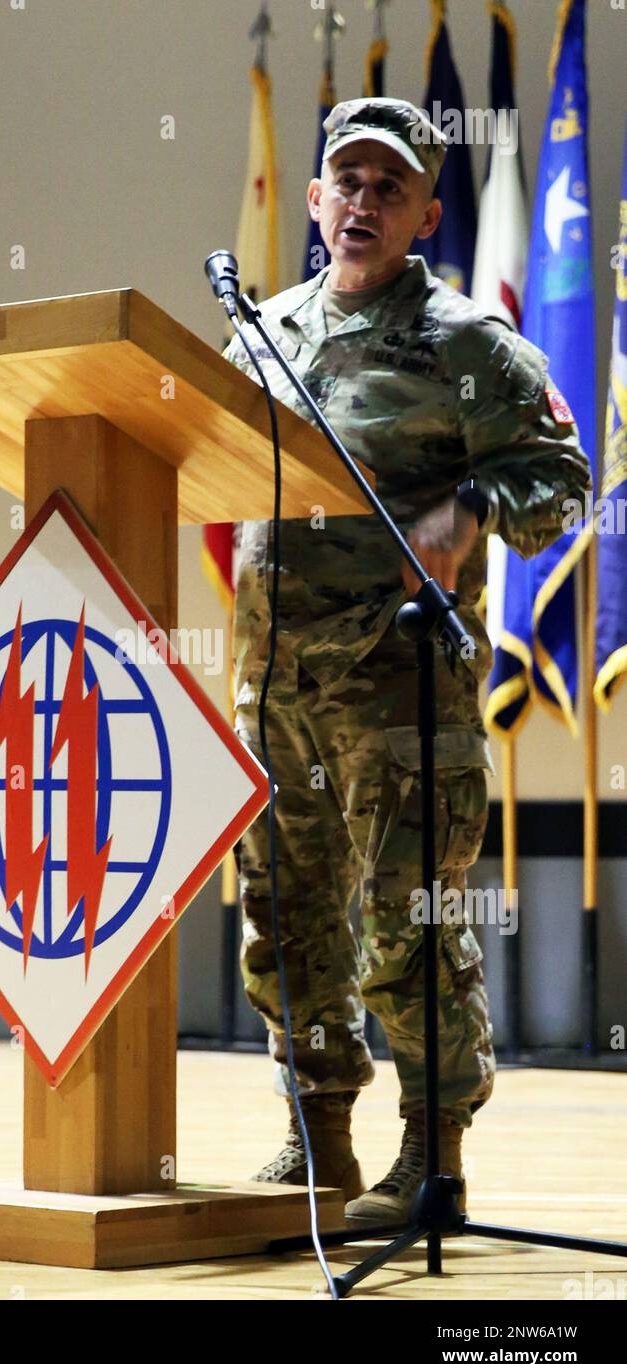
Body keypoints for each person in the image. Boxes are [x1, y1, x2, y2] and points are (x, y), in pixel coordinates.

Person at [222, 97, 591, 1224]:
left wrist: (469, 504)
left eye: (390, 186)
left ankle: (431, 1157)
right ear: (319, 201)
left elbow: (563, 480)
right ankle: (316, 1136)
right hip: (272, 685)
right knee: (285, 925)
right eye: (346, 181)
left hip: (397, 690)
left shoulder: (464, 344)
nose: (361, 202)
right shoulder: (264, 331)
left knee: (407, 924)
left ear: (427, 212)